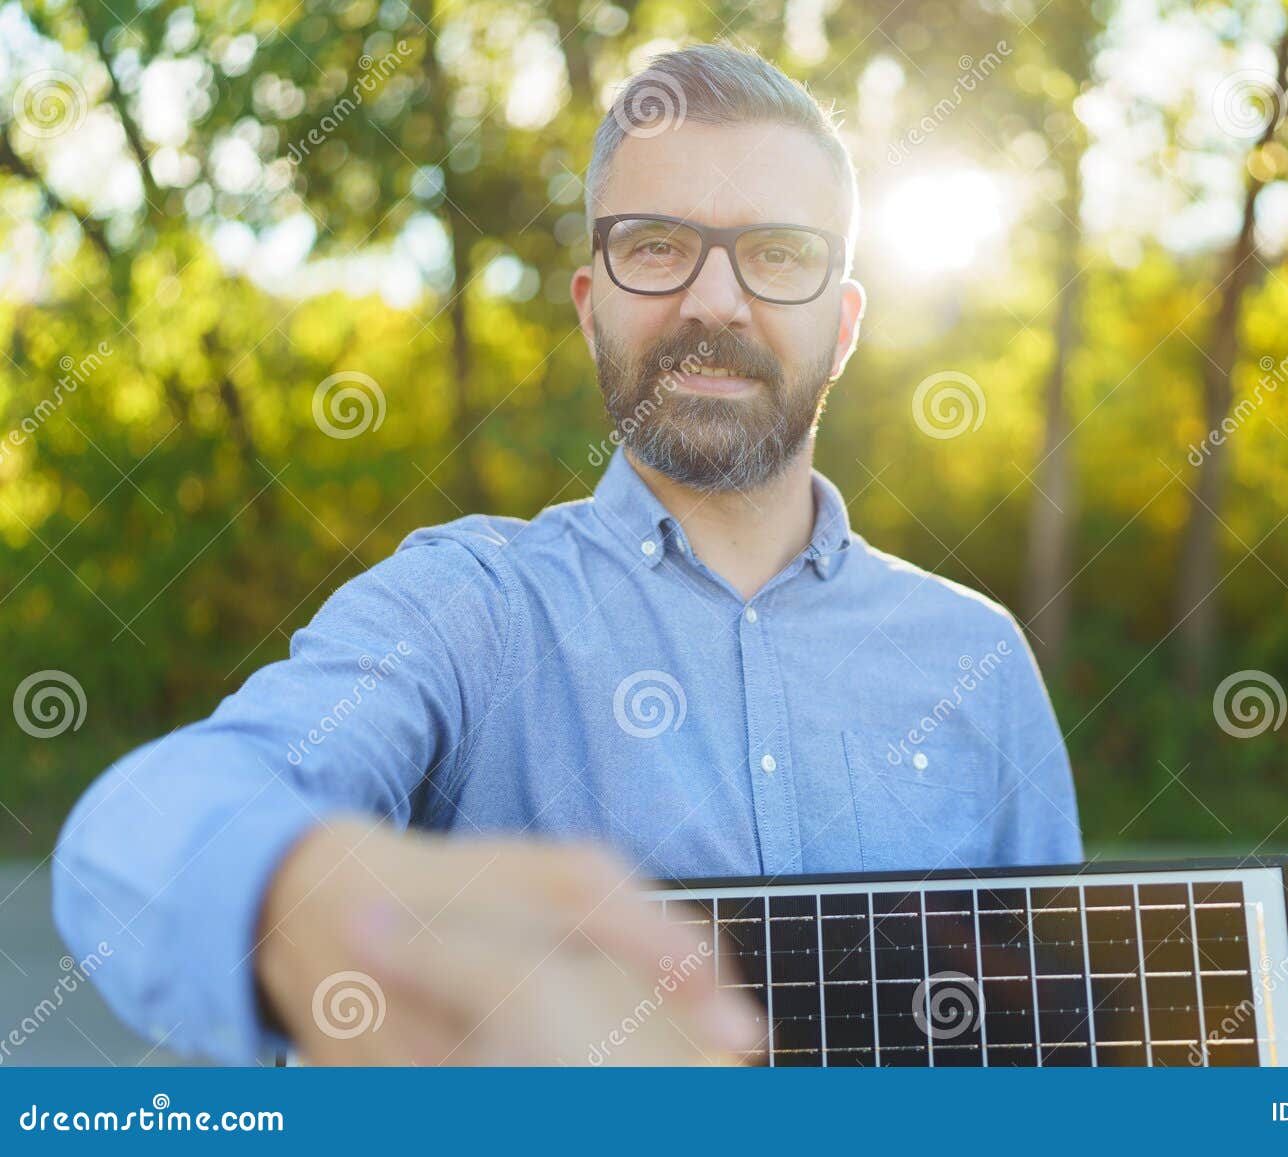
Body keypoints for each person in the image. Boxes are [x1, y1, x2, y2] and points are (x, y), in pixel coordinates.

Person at [53, 42, 1083, 1067]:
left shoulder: (974, 657)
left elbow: (1064, 1035)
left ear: (845, 324)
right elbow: (143, 829)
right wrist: (302, 893)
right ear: (593, 305)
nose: (714, 302)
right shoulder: (470, 607)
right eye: (654, 244)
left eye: (777, 252)